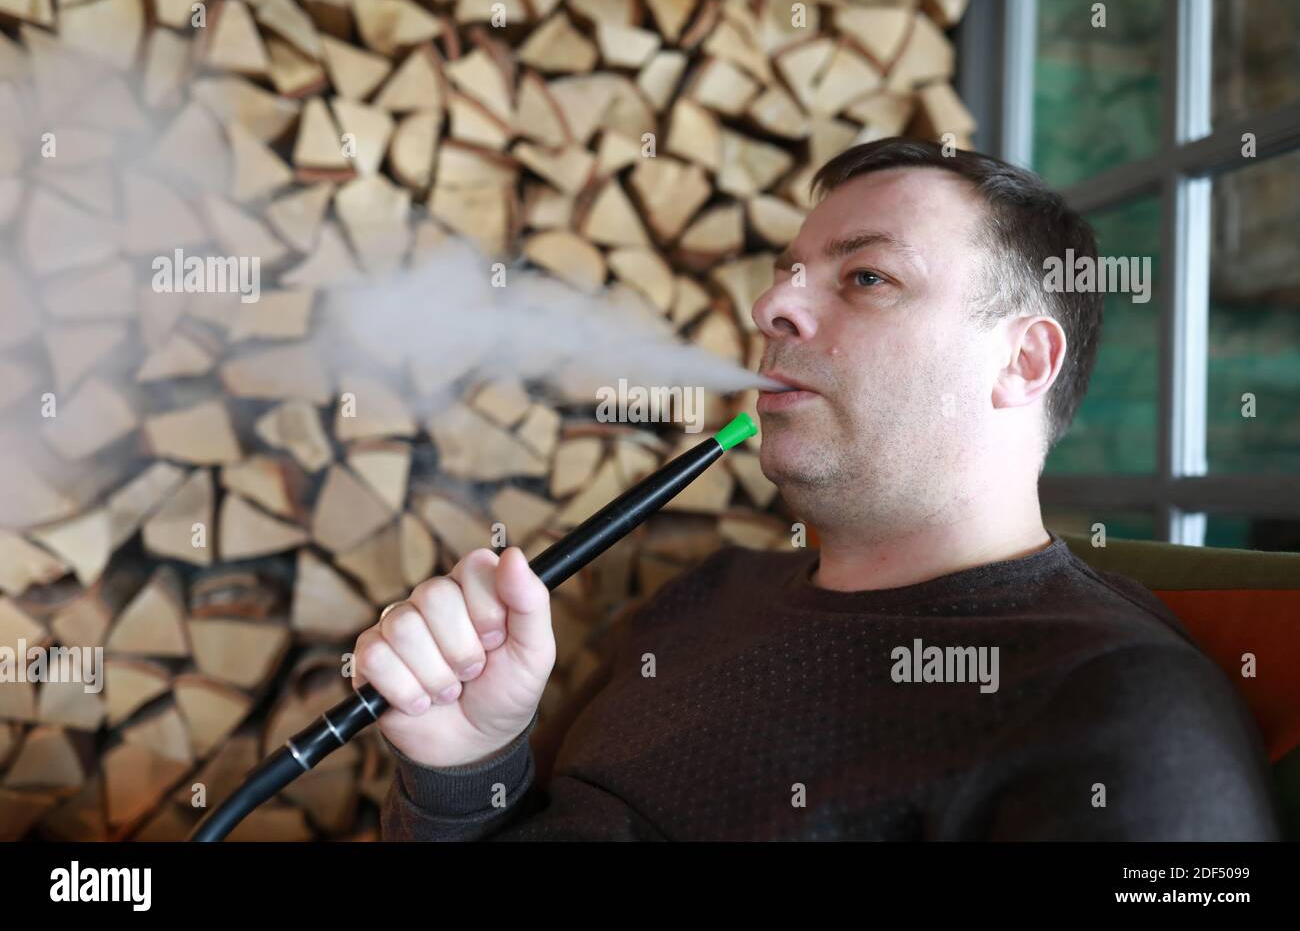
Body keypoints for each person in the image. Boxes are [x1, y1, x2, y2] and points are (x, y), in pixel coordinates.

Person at [357, 137, 1280, 840]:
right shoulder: (705, 597)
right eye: (788, 276)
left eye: (868, 277)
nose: (772, 309)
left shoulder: (1122, 712)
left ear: (1024, 360)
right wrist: (468, 761)